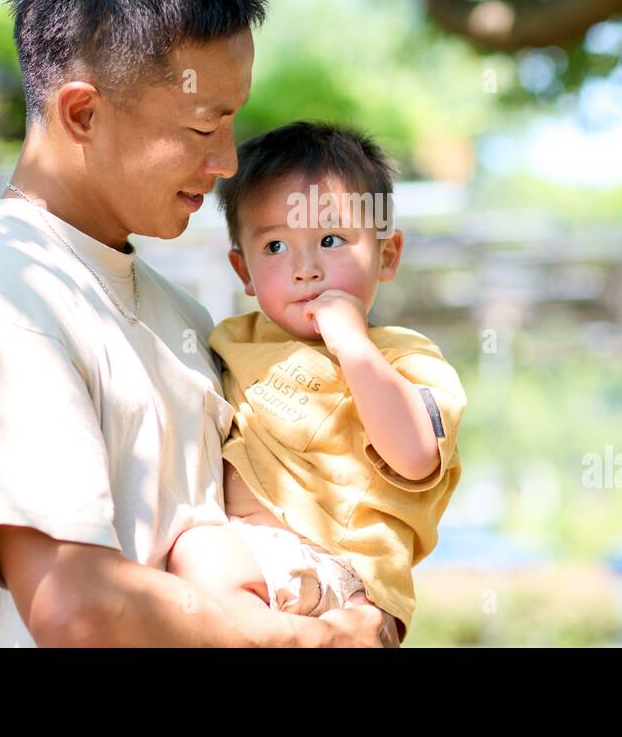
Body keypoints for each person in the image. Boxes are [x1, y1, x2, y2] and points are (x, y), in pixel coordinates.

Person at [0, 0, 392, 647]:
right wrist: (310, 641)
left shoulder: (185, 318)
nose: (227, 161)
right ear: (82, 113)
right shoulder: (6, 300)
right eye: (202, 126)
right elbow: (76, 606)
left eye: (234, 121)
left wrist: (367, 606)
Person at [165, 121, 465, 645]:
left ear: (387, 254)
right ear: (244, 272)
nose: (305, 269)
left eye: (330, 240)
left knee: (199, 558)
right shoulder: (232, 340)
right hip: (256, 558)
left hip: (346, 571)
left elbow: (417, 456)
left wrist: (354, 347)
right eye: (275, 246)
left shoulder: (404, 357)